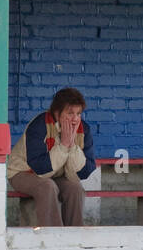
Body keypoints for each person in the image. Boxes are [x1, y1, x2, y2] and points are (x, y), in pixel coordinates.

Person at [7, 87, 96, 227]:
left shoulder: (84, 130)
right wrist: (63, 146)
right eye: (70, 113)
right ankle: (53, 235)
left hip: (55, 174)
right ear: (57, 112)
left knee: (75, 188)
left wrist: (71, 146)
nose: (75, 118)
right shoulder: (39, 125)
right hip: (22, 172)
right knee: (47, 187)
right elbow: (40, 169)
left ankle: (75, 236)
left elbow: (84, 172)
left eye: (78, 113)